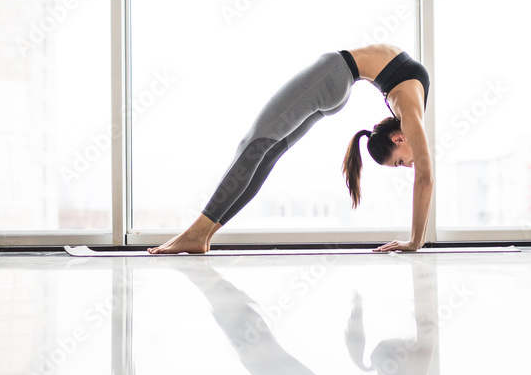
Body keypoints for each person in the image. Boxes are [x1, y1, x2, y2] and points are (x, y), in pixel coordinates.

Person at [147, 43, 433, 255]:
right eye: (400, 163)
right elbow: (425, 178)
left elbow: (424, 176)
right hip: (336, 76)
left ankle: (199, 233)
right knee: (262, 149)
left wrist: (415, 241)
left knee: (258, 147)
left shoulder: (408, 111)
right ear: (398, 139)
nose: (408, 165)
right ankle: (203, 234)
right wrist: (416, 240)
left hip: (337, 75)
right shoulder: (410, 118)